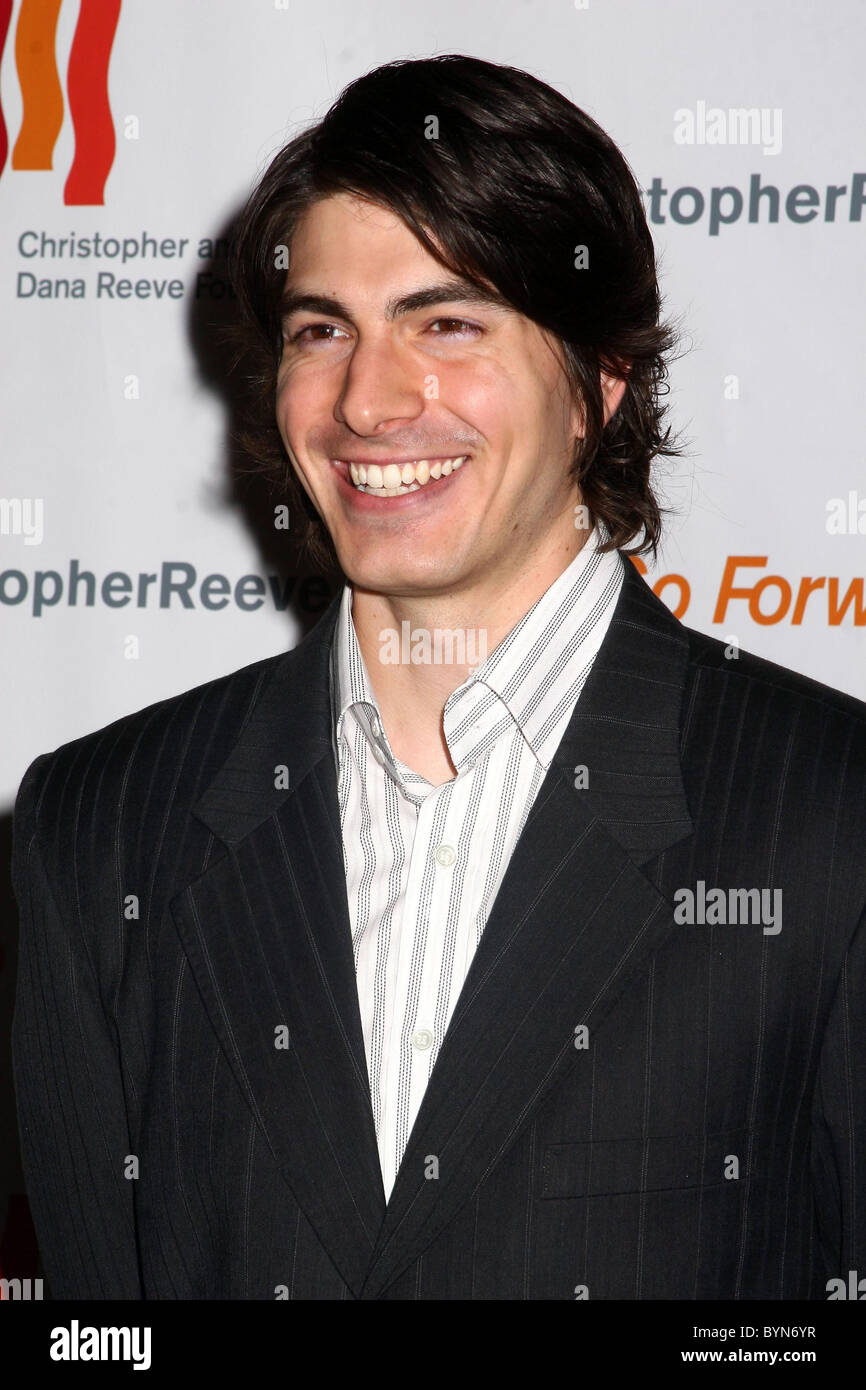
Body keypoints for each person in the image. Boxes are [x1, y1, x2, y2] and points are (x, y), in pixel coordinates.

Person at [11, 54, 865, 1300]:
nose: (366, 399)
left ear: (597, 380)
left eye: (445, 321)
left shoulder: (828, 815)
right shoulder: (100, 830)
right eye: (322, 332)